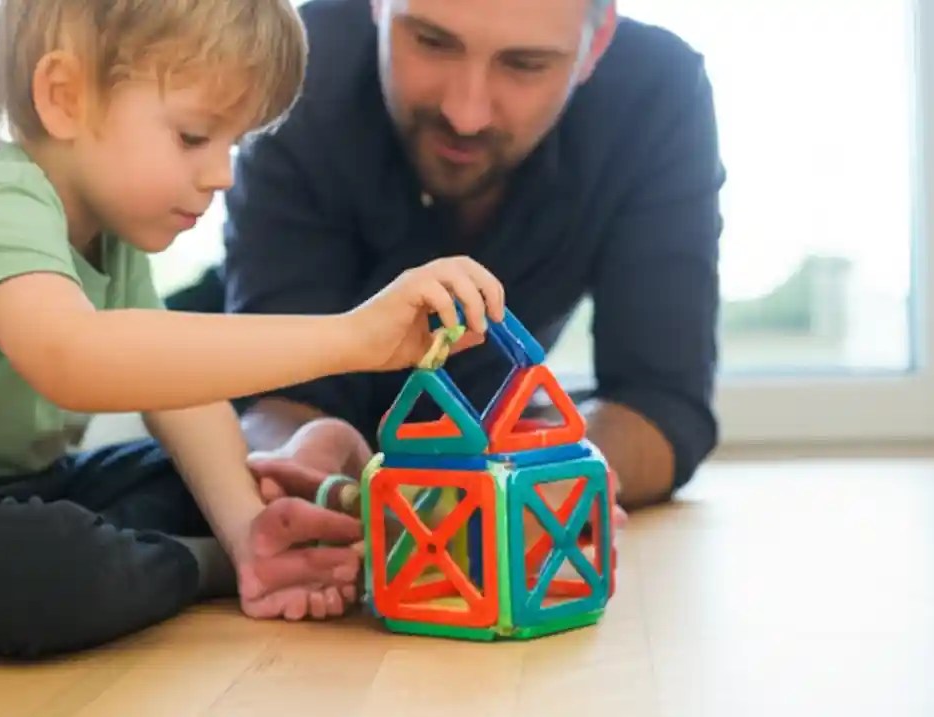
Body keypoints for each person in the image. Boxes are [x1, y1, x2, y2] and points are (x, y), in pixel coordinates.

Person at [0, 0, 508, 659]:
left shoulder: (110, 236)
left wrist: (249, 529)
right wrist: (352, 336)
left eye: (234, 144)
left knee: (229, 468)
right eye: (193, 137)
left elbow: (178, 394)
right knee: (62, 568)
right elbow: (73, 358)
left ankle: (212, 552)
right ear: (64, 97)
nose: (222, 176)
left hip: (3, 491)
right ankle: (193, 566)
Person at [202, 0, 726, 513]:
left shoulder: (656, 93)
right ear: (378, 7)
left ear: (597, 45)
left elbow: (662, 405)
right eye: (431, 42)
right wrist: (299, 454)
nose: (466, 114)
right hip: (201, 382)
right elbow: (271, 395)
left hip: (496, 450)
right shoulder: (306, 64)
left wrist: (551, 471)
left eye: (525, 65)